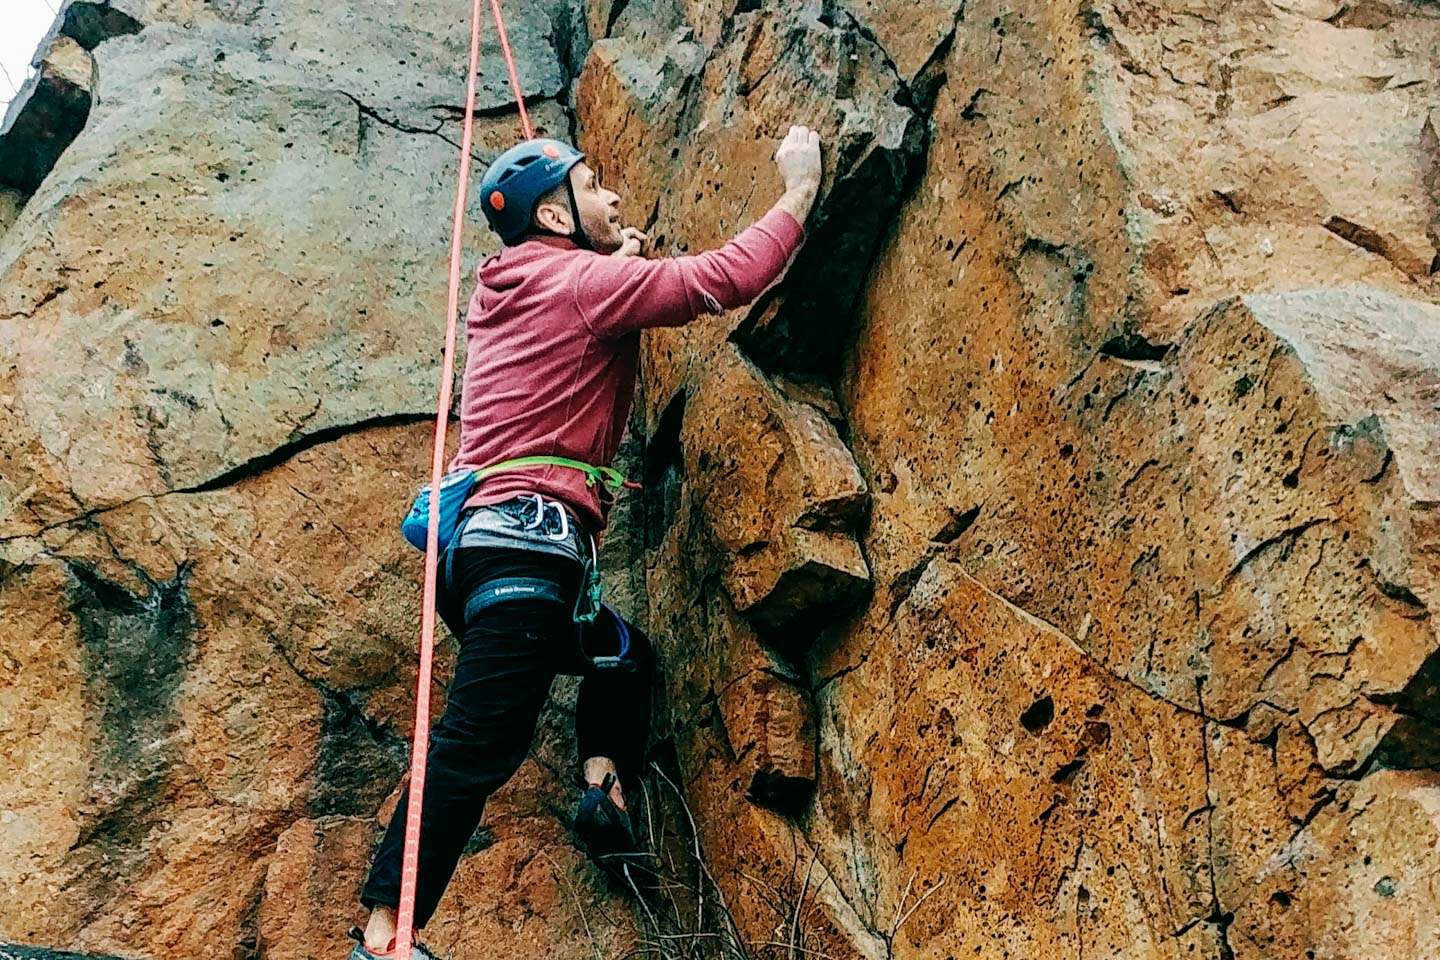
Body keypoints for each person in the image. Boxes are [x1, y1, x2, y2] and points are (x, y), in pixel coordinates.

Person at [347, 124, 824, 959]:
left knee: (619, 657)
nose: (614, 197)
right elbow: (725, 279)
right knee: (476, 743)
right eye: (595, 186)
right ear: (559, 219)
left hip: (495, 556)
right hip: (529, 554)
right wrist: (798, 190)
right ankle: (385, 938)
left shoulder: (521, 284)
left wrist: (614, 263)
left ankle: (603, 787)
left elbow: (590, 304)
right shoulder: (579, 282)